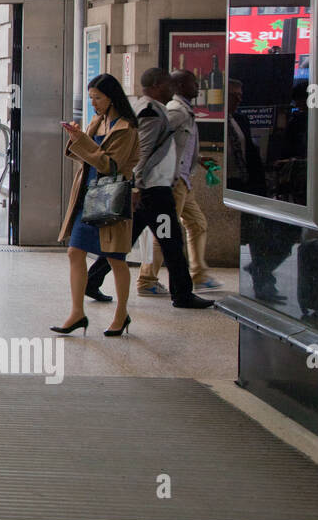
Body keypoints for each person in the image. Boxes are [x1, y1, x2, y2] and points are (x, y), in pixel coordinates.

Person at [85, 68, 213, 310]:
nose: (173, 89)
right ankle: (182, 295)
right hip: (153, 192)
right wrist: (136, 186)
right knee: (171, 242)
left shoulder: (154, 109)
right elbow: (142, 151)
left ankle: (92, 281)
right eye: (168, 84)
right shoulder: (150, 112)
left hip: (152, 191)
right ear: (157, 86)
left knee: (129, 240)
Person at [53, 73, 139, 338]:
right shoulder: (97, 122)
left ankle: (121, 313)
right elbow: (85, 156)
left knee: (115, 258)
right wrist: (77, 137)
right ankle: (76, 312)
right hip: (88, 195)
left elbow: (109, 165)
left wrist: (81, 140)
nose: (93, 104)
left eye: (98, 98)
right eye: (91, 98)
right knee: (74, 252)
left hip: (111, 199)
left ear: (112, 98)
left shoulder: (126, 128)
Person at [135, 69, 220, 295]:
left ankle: (199, 275)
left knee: (197, 224)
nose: (198, 87)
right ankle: (147, 280)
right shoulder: (173, 111)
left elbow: (175, 143)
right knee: (163, 235)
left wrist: (198, 159)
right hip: (170, 182)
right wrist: (138, 182)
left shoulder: (182, 110)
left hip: (182, 179)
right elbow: (152, 144)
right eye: (193, 83)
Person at [228, 77, 294, 301]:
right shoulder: (216, 122)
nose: (239, 100)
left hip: (247, 186)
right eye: (234, 96)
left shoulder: (240, 120)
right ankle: (262, 278)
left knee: (265, 236)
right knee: (257, 236)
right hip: (229, 187)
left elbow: (251, 153)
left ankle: (262, 277)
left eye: (240, 96)